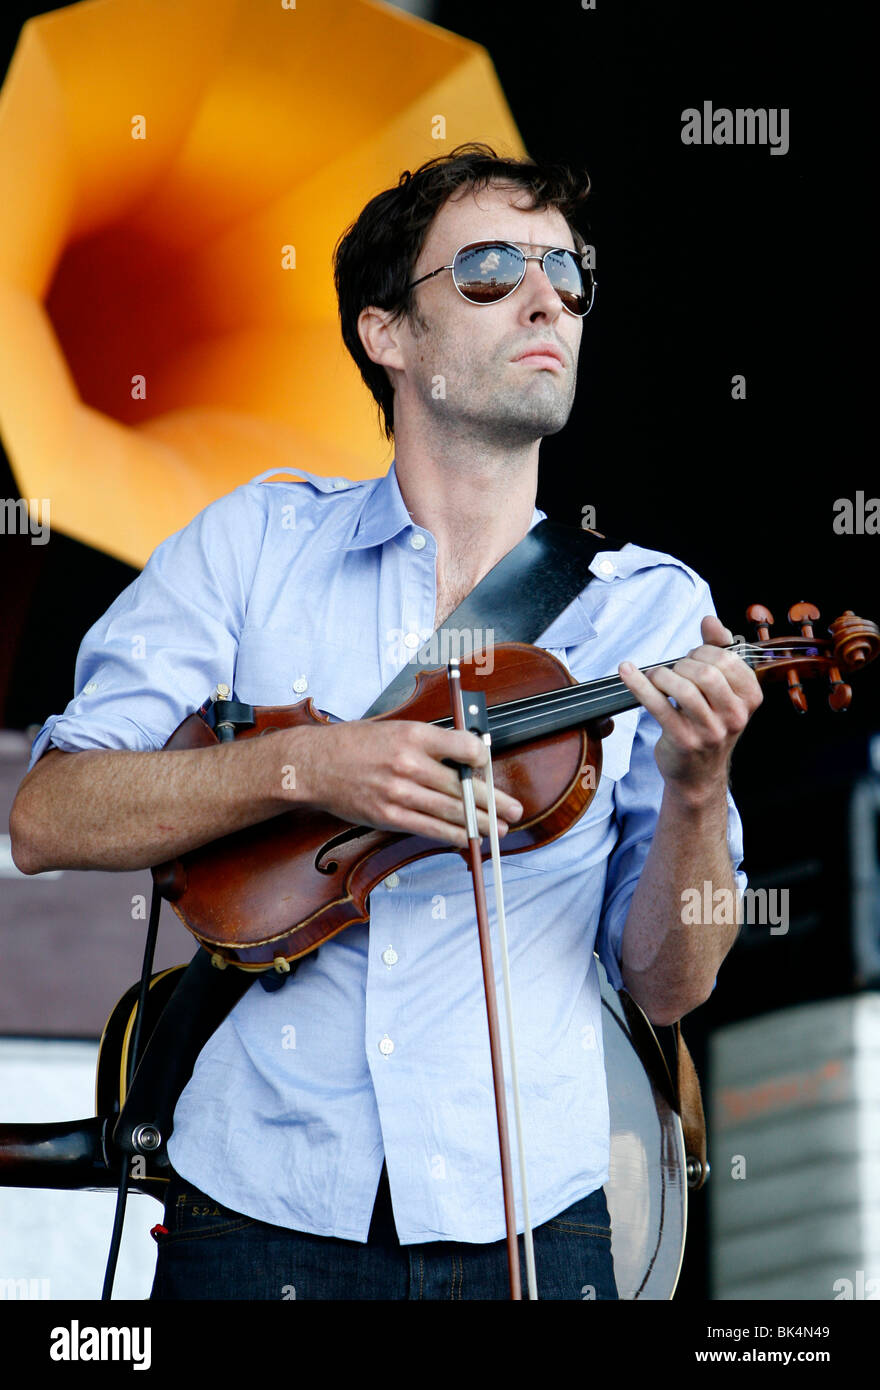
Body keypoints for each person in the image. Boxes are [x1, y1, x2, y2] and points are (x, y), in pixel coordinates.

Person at [9, 143, 762, 1301]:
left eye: (567, 270)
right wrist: (312, 764)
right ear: (387, 334)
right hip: (250, 1200)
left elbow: (666, 986)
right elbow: (48, 814)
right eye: (491, 268)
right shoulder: (251, 546)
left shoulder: (654, 610)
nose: (546, 293)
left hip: (530, 1226)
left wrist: (701, 792)